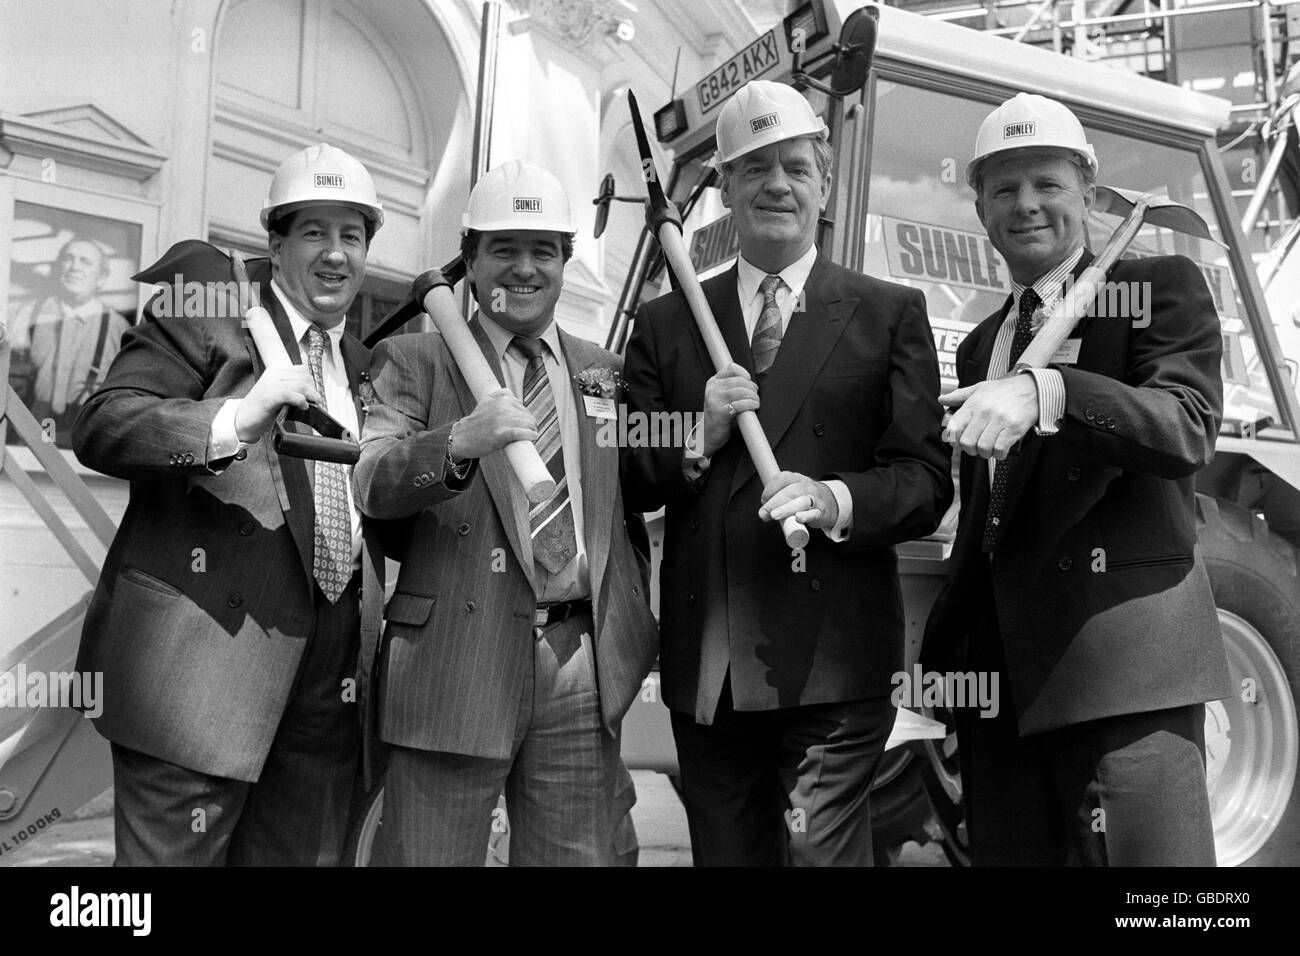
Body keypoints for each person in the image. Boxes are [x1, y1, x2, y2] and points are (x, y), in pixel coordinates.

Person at [622, 80, 952, 866]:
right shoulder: (668, 323)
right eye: (756, 167)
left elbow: (924, 479)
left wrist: (835, 497)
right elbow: (627, 472)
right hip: (711, 670)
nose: (778, 184)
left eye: (796, 167)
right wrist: (691, 432)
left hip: (831, 665)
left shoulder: (888, 313)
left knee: (815, 857)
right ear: (727, 187)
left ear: (824, 181)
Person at [924, 93, 1231, 865]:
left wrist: (1050, 390)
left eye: (1047, 184)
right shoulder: (985, 343)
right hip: (1003, 687)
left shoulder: (1157, 284)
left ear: (1090, 194)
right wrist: (942, 660)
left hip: (1125, 677)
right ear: (981, 206)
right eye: (1004, 188)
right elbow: (988, 520)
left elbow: (1185, 425)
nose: (1026, 205)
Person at [72, 143, 390, 866]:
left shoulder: (364, 364)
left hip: (327, 691)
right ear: (275, 244)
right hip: (200, 684)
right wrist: (234, 423)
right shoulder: (213, 308)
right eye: (313, 231)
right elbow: (105, 421)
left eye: (351, 235)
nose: (335, 253)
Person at [354, 159, 658, 866]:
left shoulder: (604, 372)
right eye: (504, 249)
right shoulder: (415, 361)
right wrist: (457, 441)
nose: (524, 269)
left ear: (564, 261)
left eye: (543, 251)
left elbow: (636, 493)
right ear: (470, 260)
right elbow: (371, 480)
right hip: (453, 667)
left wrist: (698, 433)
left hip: (579, 664)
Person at [8, 238, 131, 440]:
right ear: (59, 268)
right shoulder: (29, 313)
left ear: (101, 277)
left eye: (85, 262)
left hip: (86, 437)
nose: (74, 267)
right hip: (28, 432)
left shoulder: (118, 328)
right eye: (68, 259)